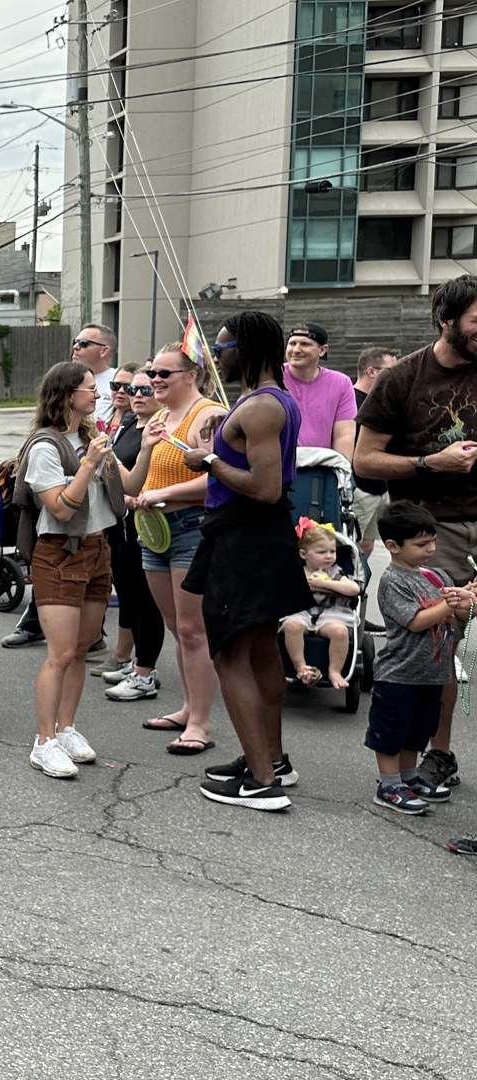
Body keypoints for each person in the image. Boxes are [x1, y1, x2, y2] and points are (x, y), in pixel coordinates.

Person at [354, 274, 477, 796]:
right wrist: (432, 462)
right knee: (442, 641)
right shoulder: (402, 378)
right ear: (447, 320)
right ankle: (439, 753)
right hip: (435, 526)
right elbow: (364, 458)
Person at [184, 311, 308, 812]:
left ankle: (261, 782)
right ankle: (272, 759)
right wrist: (222, 438)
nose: (216, 356)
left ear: (247, 346)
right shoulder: (266, 401)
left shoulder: (261, 408)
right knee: (259, 651)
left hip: (246, 540)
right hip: (258, 539)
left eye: (221, 347)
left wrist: (209, 461)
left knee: (230, 654)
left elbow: (264, 487)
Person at [1, 362, 116, 777]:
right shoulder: (45, 447)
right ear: (68, 395)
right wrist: (88, 466)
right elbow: (61, 508)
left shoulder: (89, 435)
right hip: (59, 551)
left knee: (83, 648)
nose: (97, 394)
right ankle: (43, 741)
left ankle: (66, 728)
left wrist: (153, 446)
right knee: (61, 653)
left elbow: (130, 488)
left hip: (97, 546)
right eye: (89, 389)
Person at [122, 343, 228, 752]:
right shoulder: (161, 417)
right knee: (176, 627)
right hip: (155, 530)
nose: (154, 381)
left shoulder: (208, 414)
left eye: (165, 373)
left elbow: (219, 477)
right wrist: (144, 465)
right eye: (152, 373)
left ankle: (200, 723)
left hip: (191, 526)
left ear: (192, 375)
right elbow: (138, 479)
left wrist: (162, 493)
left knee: (193, 628)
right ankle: (187, 707)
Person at [368, 502, 472, 815]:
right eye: (422, 544)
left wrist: (467, 599)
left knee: (417, 730)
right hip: (399, 673)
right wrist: (450, 605)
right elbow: (416, 621)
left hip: (432, 672)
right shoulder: (393, 581)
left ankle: (408, 776)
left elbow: (458, 614)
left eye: (432, 541)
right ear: (393, 546)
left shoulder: (436, 574)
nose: (431, 549)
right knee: (391, 732)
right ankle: (388, 785)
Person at [100, 367, 168, 702]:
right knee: (127, 596)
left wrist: (137, 495)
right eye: (131, 389)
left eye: (144, 390)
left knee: (145, 600)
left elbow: (160, 476)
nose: (136, 395)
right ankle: (136, 662)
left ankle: (145, 672)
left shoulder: (162, 429)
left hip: (147, 523)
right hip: (119, 523)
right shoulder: (128, 424)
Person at [282, 519, 363, 689]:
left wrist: (325, 585)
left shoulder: (334, 573)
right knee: (292, 626)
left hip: (329, 613)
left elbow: (354, 588)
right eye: (322, 552)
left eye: (332, 551)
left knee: (340, 632)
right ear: (304, 555)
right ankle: (301, 667)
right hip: (300, 612)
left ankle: (335, 671)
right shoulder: (297, 571)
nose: (329, 556)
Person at [279, 322, 356, 456]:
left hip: (321, 467)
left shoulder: (341, 383)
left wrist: (341, 471)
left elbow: (344, 436)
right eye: (292, 343)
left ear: (322, 350)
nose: (296, 350)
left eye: (305, 344)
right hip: (279, 466)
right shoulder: (272, 376)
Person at [350, 345, 398, 549]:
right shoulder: (349, 400)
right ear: (372, 371)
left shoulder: (382, 402)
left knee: (368, 544)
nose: (397, 376)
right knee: (349, 544)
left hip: (381, 489)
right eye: (391, 370)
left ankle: (360, 583)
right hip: (360, 490)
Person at [71, 323, 118, 424]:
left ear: (104, 351)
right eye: (75, 342)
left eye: (83, 343)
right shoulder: (65, 379)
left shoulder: (117, 382)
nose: (75, 347)